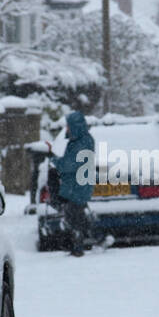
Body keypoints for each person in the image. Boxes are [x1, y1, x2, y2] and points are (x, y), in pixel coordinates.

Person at [47, 110, 95, 256]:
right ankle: (95, 239)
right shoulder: (79, 141)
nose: (66, 129)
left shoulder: (82, 142)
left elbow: (71, 164)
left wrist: (55, 161)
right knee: (77, 215)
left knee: (73, 217)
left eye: (68, 126)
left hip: (77, 186)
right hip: (76, 185)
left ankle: (78, 247)